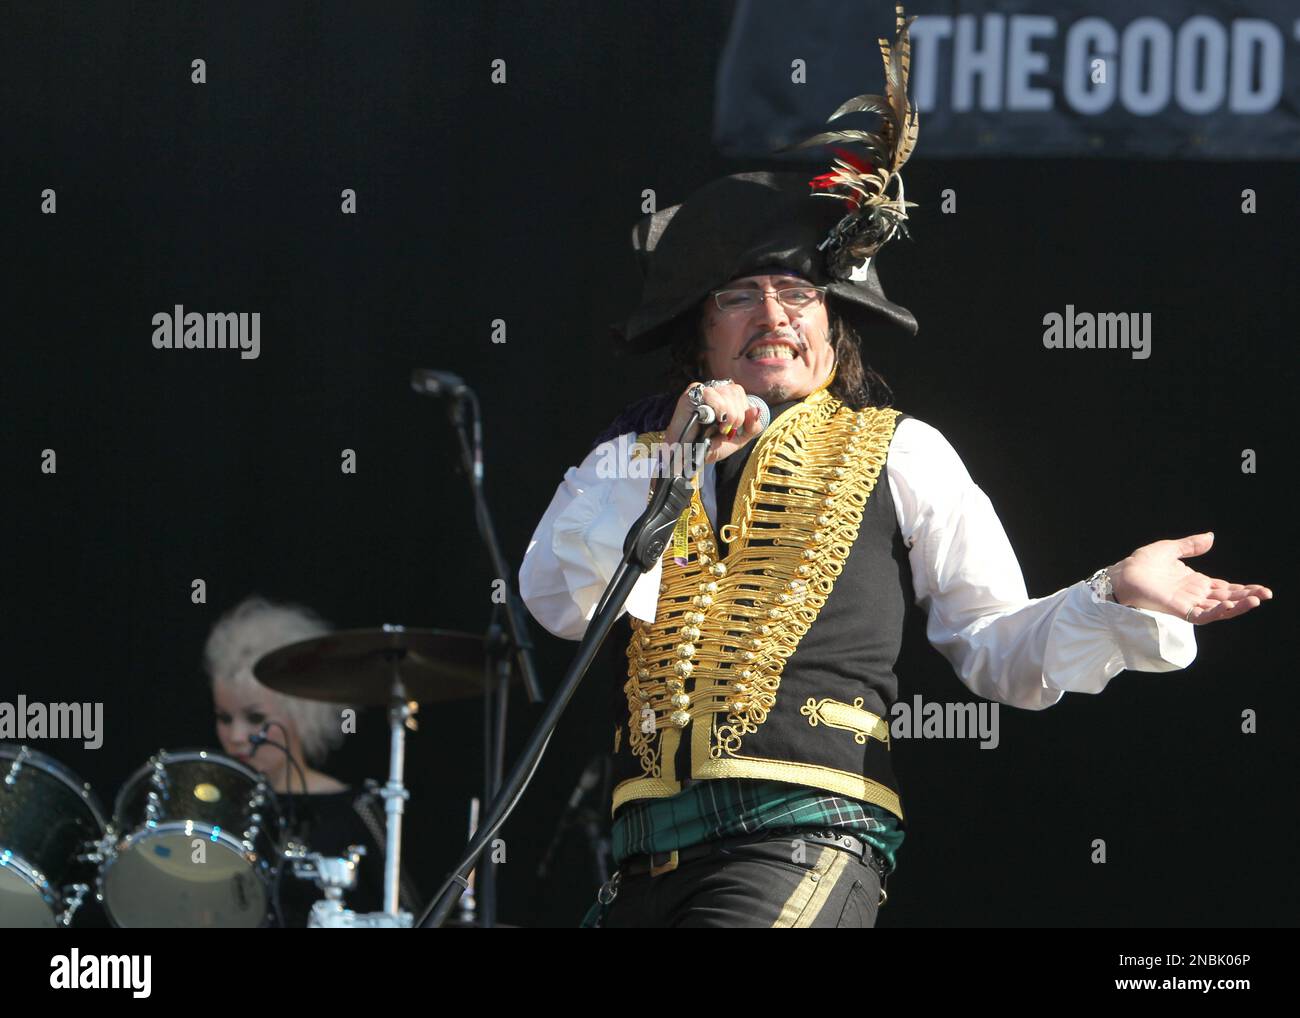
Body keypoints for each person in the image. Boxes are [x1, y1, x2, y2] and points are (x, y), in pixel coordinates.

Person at [518, 7, 1272, 928]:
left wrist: (1112, 592)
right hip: (640, 864)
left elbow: (998, 648)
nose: (774, 315)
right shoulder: (628, 459)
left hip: (803, 836)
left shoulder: (902, 451)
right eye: (740, 296)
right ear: (699, 332)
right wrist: (674, 456)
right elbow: (560, 607)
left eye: (797, 292)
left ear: (832, 325)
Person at [204, 595, 418, 926]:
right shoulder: (216, 808)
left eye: (256, 718)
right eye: (224, 718)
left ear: (301, 713)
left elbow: (407, 914)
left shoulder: (353, 809)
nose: (236, 736)